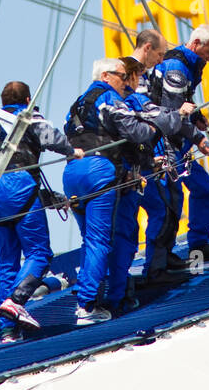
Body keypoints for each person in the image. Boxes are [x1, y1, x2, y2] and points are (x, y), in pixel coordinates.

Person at [63, 57, 195, 323]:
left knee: (91, 240)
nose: (126, 82)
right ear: (105, 76)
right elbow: (136, 131)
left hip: (72, 173)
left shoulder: (76, 105)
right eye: (122, 76)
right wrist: (155, 127)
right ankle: (97, 302)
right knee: (116, 237)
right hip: (102, 171)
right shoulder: (109, 98)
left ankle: (96, 297)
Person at [106, 57, 209, 313]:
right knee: (163, 210)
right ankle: (155, 268)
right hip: (140, 167)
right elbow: (163, 120)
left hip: (116, 171)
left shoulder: (107, 102)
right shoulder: (133, 99)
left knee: (119, 230)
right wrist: (183, 116)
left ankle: (117, 285)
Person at [0, 81, 80, 341]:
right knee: (39, 253)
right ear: (27, 99)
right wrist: (73, 151)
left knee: (7, 262)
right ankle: (16, 302)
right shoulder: (27, 116)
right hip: (20, 187)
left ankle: (7, 329)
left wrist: (51, 198)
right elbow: (50, 137)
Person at [143, 23, 209, 260]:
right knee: (171, 203)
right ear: (196, 43)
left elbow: (182, 100)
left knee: (204, 192)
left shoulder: (191, 64)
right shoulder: (177, 68)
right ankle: (160, 259)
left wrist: (198, 117)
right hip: (166, 144)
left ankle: (198, 244)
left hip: (180, 143)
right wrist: (199, 137)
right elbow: (172, 111)